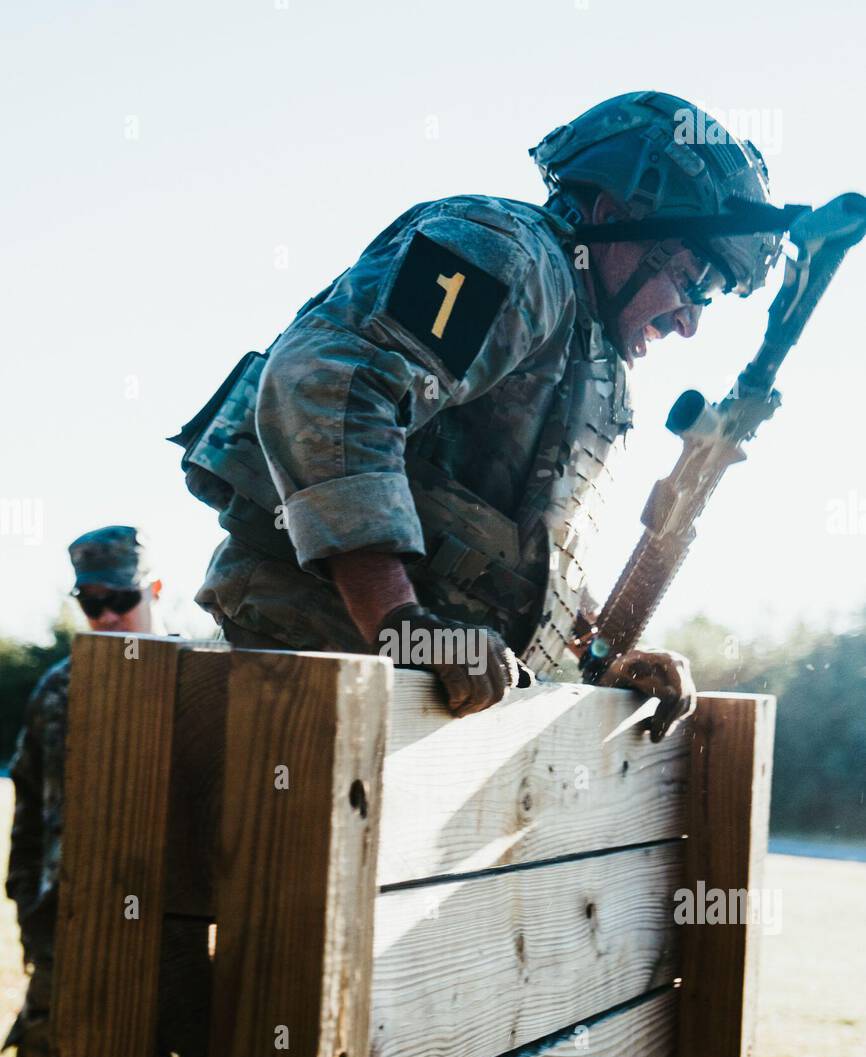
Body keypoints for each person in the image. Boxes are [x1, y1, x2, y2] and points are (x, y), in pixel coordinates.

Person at [177, 91, 782, 730]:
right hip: (306, 675)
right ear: (612, 215)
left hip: (427, 704)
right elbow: (328, 386)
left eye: (709, 299)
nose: (690, 321)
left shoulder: (593, 350)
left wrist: (600, 651)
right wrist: (402, 623)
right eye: (693, 282)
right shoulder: (507, 256)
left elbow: (509, 550)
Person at [3, 525, 164, 1057]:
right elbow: (28, 825)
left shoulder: (198, 681)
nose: (104, 617)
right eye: (89, 602)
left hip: (168, 947)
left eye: (120, 600)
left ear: (153, 592)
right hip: (66, 945)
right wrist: (35, 926)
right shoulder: (56, 690)